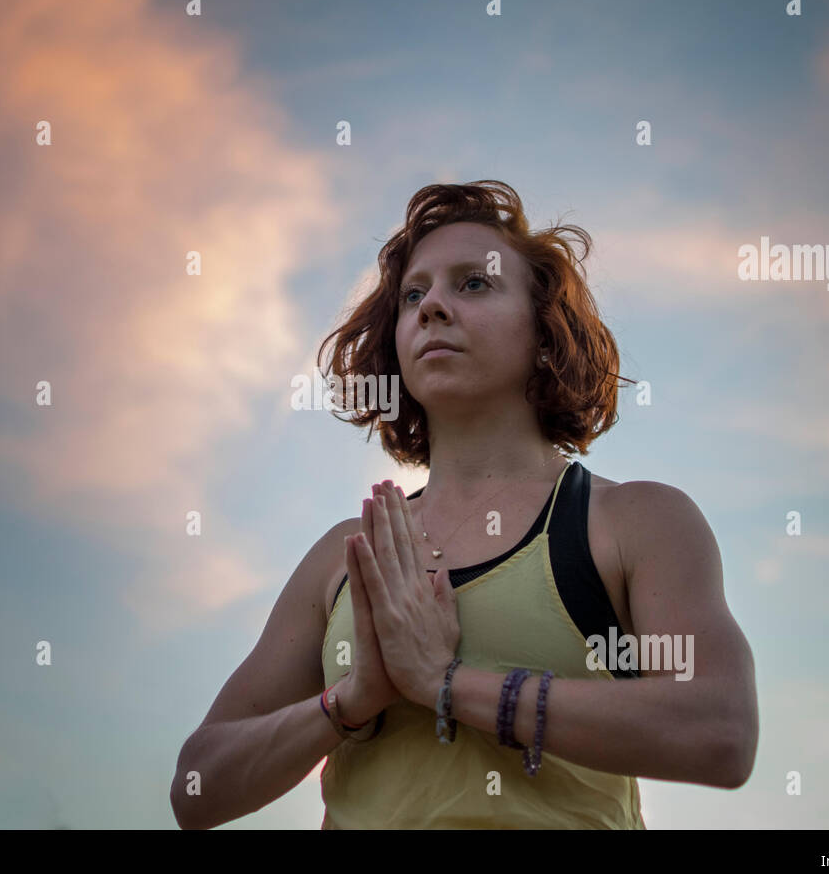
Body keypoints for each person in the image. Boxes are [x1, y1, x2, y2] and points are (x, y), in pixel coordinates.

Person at [171, 180, 758, 829]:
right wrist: (356, 698)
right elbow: (195, 789)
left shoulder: (635, 522)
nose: (432, 308)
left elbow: (719, 730)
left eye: (473, 284)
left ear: (544, 333)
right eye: (414, 295)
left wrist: (445, 685)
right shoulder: (345, 556)